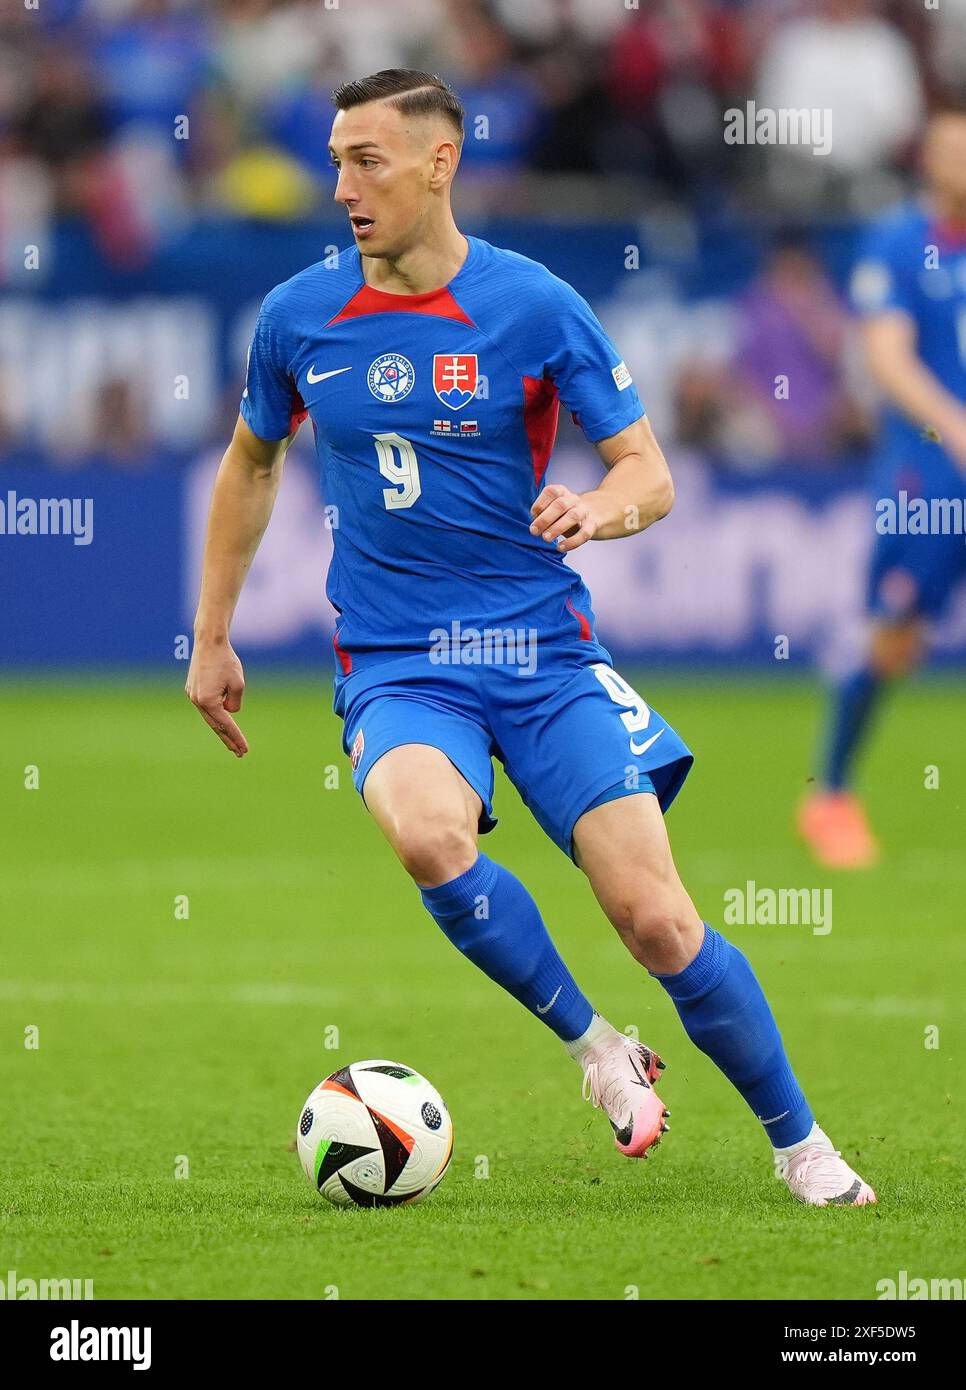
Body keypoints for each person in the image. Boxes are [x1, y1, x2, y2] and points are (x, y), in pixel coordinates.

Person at [187, 68, 874, 1206]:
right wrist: (210, 636)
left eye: (369, 161)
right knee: (424, 834)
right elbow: (252, 461)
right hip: (401, 664)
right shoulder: (297, 315)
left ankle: (801, 1143)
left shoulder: (535, 304)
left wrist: (599, 509)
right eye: (337, 162)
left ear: (440, 163)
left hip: (541, 658)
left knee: (656, 917)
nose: (345, 186)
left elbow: (647, 469)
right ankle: (597, 1047)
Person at [799, 102, 966, 868]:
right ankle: (830, 791)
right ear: (927, 161)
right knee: (897, 634)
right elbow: (889, 358)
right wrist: (953, 427)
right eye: (949, 149)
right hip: (929, 471)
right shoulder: (901, 243)